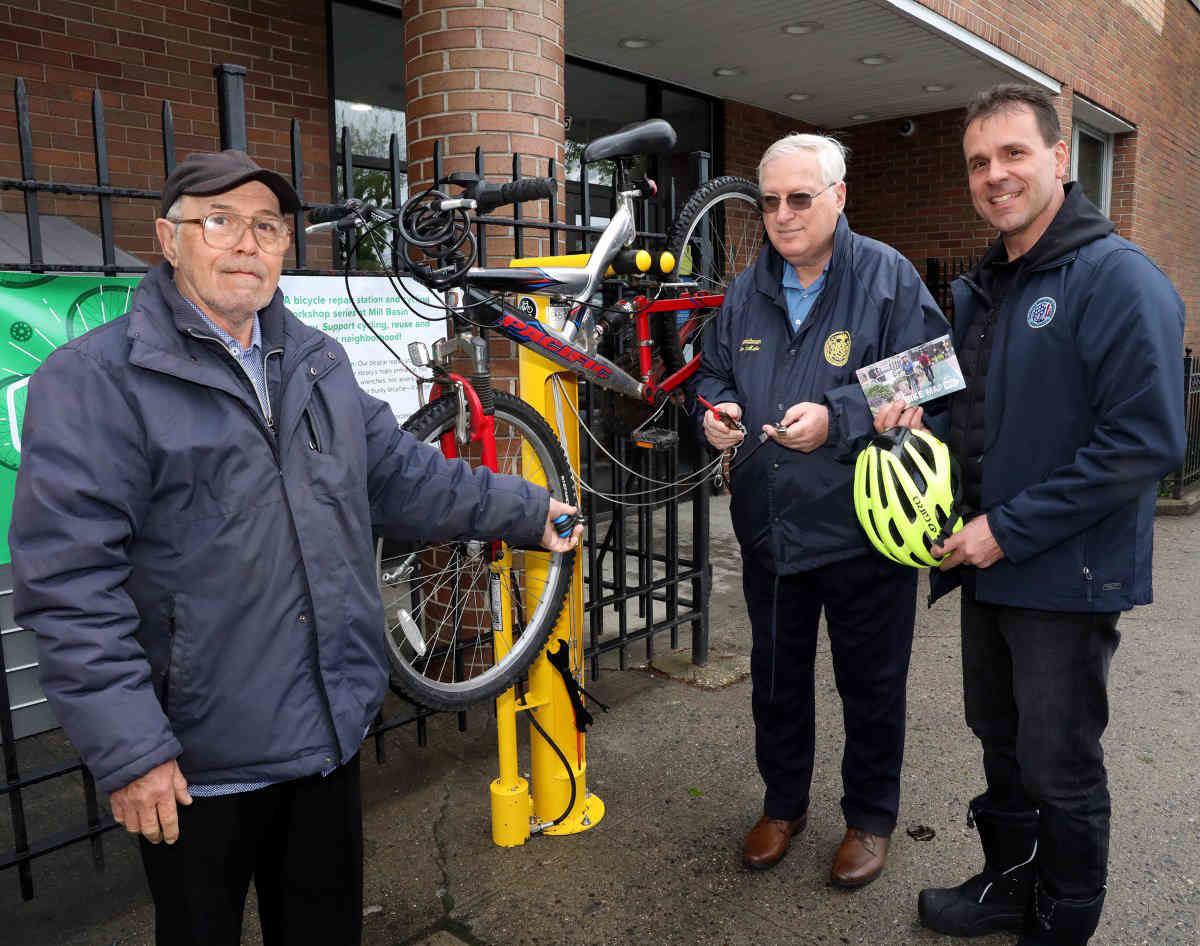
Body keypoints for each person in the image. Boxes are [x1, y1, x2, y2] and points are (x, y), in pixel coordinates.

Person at [9, 149, 582, 946]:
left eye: (268, 226)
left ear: (284, 248)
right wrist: (133, 750)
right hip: (196, 760)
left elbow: (403, 477)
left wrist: (524, 510)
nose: (247, 243)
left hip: (324, 735)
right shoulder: (96, 381)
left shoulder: (317, 362)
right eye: (220, 221)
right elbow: (71, 586)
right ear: (169, 241)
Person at [875, 84, 1185, 945]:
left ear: (1060, 158)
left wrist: (1005, 529)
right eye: (979, 162)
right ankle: (1011, 884)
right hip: (985, 566)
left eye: (1013, 154)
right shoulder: (985, 287)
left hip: (1067, 572)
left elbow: (1145, 442)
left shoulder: (1119, 280)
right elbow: (941, 397)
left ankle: (1064, 918)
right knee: (1000, 739)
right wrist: (870, 411)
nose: (994, 174)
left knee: (1060, 761)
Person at [695, 133, 948, 887]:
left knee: (870, 685)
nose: (783, 214)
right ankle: (783, 804)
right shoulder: (747, 288)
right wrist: (714, 408)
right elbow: (709, 371)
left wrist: (837, 416)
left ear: (839, 197)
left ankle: (870, 818)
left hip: (862, 529)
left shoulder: (886, 278)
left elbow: (934, 370)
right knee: (776, 684)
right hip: (770, 530)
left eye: (800, 197)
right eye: (770, 201)